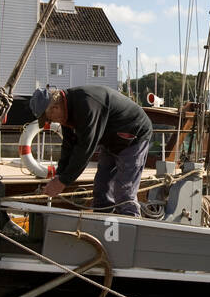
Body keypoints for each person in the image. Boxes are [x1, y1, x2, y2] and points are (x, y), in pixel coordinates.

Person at [29, 85, 152, 217]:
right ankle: (102, 224)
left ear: (55, 107)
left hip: (134, 136)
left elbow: (85, 149)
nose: (50, 121)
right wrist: (59, 175)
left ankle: (131, 227)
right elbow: (68, 146)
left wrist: (62, 182)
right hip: (110, 140)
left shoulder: (86, 104)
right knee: (101, 188)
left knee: (124, 192)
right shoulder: (66, 113)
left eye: (48, 118)